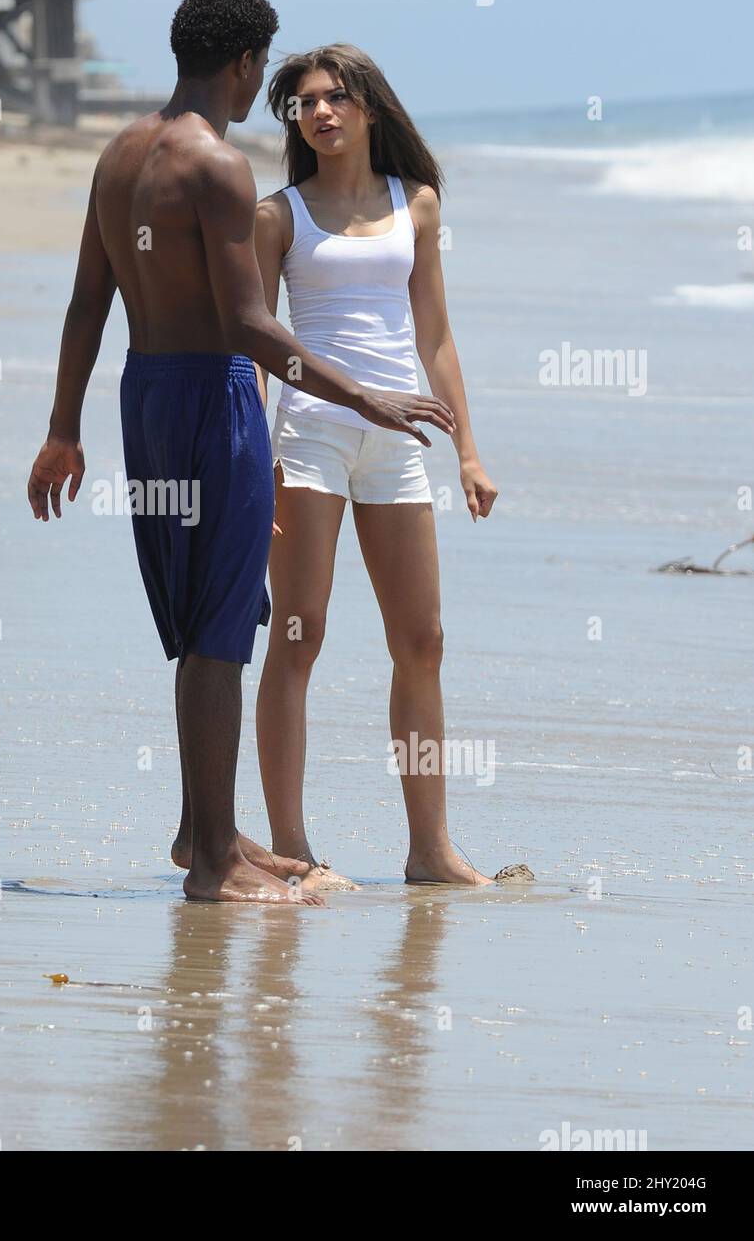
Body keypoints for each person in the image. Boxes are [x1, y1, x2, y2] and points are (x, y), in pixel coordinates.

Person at [26, 0, 455, 904]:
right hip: (213, 393)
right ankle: (217, 864)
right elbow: (252, 328)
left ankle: (202, 832)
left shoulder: (120, 153)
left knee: (197, 621)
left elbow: (84, 304)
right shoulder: (216, 168)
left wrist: (63, 429)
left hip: (145, 395)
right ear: (248, 64)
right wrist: (365, 397)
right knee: (221, 624)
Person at [253, 44, 499, 891]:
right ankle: (293, 849)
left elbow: (434, 332)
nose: (320, 114)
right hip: (312, 432)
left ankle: (430, 849)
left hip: (403, 435)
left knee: (423, 642)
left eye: (335, 99)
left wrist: (467, 448)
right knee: (300, 633)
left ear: (368, 108)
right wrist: (253, 454)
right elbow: (256, 347)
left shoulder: (416, 204)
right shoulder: (278, 215)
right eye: (304, 103)